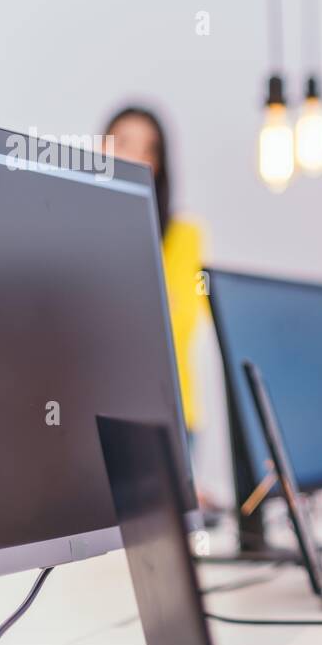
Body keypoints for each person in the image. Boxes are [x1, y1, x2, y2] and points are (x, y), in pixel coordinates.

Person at [103, 106, 208, 438]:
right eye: (123, 142)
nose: (136, 156)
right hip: (104, 411)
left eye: (149, 149)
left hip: (172, 418)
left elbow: (178, 322)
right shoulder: (84, 230)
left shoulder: (185, 235)